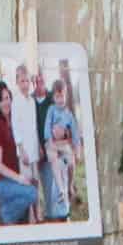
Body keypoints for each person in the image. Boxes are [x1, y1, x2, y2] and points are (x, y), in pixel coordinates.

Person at [0, 78, 40, 225]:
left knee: (32, 186)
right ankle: (4, 216)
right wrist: (19, 178)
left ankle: (14, 213)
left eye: (8, 98)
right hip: (3, 181)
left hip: (17, 177)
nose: (7, 102)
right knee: (32, 193)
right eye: (2, 99)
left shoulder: (14, 117)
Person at [41, 75, 81, 222]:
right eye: (57, 97)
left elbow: (75, 131)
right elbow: (47, 125)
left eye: (62, 96)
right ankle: (61, 190)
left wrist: (77, 147)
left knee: (71, 160)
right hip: (52, 142)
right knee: (53, 159)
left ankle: (70, 185)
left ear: (66, 95)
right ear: (54, 97)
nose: (60, 100)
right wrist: (49, 139)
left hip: (63, 144)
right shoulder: (52, 110)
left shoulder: (68, 113)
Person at [10, 64, 43, 195]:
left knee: (36, 179)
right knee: (27, 179)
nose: (25, 84)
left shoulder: (32, 101)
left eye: (27, 81)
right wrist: (22, 150)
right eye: (22, 81)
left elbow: (34, 126)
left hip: (34, 146)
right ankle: (30, 213)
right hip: (24, 150)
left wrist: (39, 145)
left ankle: (37, 208)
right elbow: (16, 127)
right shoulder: (16, 102)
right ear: (17, 82)